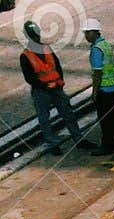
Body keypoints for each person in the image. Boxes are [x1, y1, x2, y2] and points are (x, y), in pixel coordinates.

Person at [18, 20, 84, 154]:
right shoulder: (25, 56)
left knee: (68, 113)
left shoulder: (47, 49)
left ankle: (78, 138)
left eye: (37, 34)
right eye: (33, 35)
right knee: (44, 120)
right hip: (41, 91)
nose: (36, 37)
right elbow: (29, 78)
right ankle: (53, 144)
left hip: (56, 88)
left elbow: (57, 66)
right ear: (28, 37)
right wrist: (46, 86)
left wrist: (59, 81)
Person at [84, 19, 114, 155]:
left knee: (105, 119)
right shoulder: (105, 45)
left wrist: (94, 93)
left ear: (95, 32)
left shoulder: (97, 49)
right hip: (113, 87)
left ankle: (107, 145)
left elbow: (97, 73)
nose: (86, 36)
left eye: (88, 33)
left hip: (104, 89)